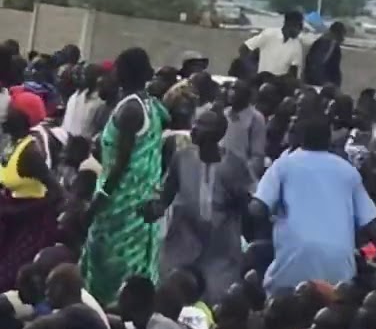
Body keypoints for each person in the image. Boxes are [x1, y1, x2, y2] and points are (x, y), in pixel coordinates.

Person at [250, 116, 376, 294]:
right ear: (329, 140)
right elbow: (372, 227)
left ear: (300, 138)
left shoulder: (283, 165)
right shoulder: (348, 170)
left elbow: (257, 210)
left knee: (277, 302)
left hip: (294, 260)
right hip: (340, 265)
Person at [80, 47, 165, 304]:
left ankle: (106, 314)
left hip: (120, 204)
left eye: (116, 68)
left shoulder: (130, 110)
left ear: (125, 72)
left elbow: (120, 163)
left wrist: (98, 200)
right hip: (139, 199)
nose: (112, 73)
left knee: (108, 264)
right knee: (132, 263)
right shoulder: (150, 104)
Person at [145, 109, 253, 301]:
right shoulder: (182, 158)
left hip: (220, 250)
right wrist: (155, 207)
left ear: (218, 133)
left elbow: (248, 206)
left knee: (218, 300)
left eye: (202, 125)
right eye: (196, 123)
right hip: (182, 243)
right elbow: (166, 194)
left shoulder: (234, 166)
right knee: (171, 297)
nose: (194, 129)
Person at [0, 92, 62, 291]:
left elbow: (57, 192)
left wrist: (22, 211)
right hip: (12, 216)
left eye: (8, 116)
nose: (3, 119)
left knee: (10, 276)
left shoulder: (30, 153)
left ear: (20, 121)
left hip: (33, 221)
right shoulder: (11, 145)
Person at [223, 79, 267, 180]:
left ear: (246, 95)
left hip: (241, 175)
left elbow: (257, 155)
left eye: (236, 90)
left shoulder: (256, 118)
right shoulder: (224, 114)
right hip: (221, 172)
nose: (231, 93)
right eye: (231, 89)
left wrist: (247, 176)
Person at [240, 11, 305, 79]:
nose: (300, 31)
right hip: (261, 79)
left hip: (279, 83)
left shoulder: (297, 45)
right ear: (288, 24)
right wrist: (251, 68)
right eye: (298, 26)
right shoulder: (270, 34)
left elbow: (294, 70)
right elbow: (244, 48)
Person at [303, 22, 345, 88]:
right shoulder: (330, 44)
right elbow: (318, 65)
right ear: (338, 34)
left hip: (312, 81)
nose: (343, 39)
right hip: (321, 84)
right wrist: (325, 82)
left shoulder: (319, 41)